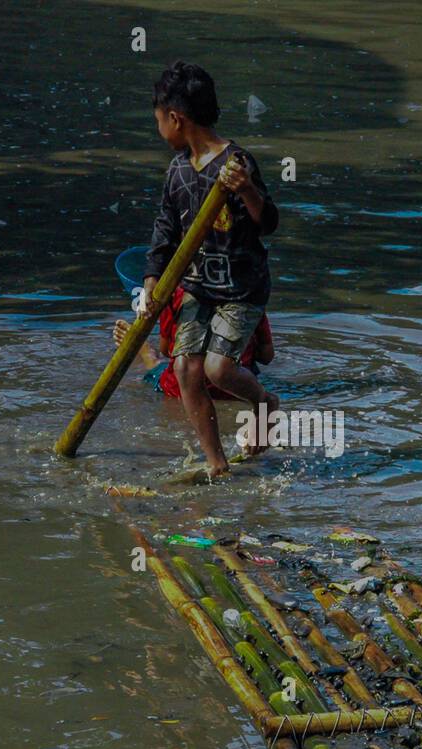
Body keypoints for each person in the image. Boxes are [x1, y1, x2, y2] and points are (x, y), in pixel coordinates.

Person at [141, 61, 280, 477]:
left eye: (158, 121)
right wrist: (152, 281)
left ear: (175, 118)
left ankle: (264, 403)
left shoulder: (237, 163)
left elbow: (268, 222)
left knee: (219, 368)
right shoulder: (178, 171)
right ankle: (216, 462)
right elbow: (165, 229)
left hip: (242, 289)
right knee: (185, 367)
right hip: (197, 287)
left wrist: (248, 191)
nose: (159, 128)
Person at [111, 291, 274, 399]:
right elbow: (266, 356)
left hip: (181, 387)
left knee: (161, 364)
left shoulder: (176, 292)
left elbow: (167, 350)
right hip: (239, 388)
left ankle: (148, 355)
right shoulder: (249, 293)